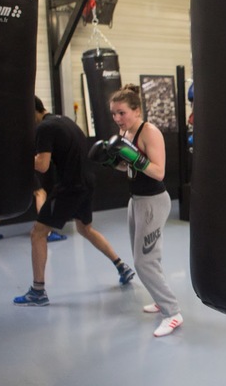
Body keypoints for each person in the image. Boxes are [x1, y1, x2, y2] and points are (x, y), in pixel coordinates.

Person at [13, 97, 136, 306]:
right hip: (87, 182)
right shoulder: (64, 121)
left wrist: (16, 159)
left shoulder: (44, 128)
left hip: (70, 186)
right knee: (85, 228)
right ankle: (122, 266)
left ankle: (38, 291)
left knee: (37, 233)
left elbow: (42, 166)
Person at [90, 84, 183, 337]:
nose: (117, 119)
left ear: (137, 110)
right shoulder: (126, 134)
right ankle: (159, 296)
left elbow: (158, 171)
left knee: (143, 262)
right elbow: (130, 168)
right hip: (137, 200)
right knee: (147, 256)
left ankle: (172, 312)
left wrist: (134, 157)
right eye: (113, 114)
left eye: (121, 113)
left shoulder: (148, 131)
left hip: (153, 201)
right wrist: (113, 163)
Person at [0, 175, 67, 243]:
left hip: (7, 168)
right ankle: (46, 232)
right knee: (40, 193)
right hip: (21, 167)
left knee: (7, 198)